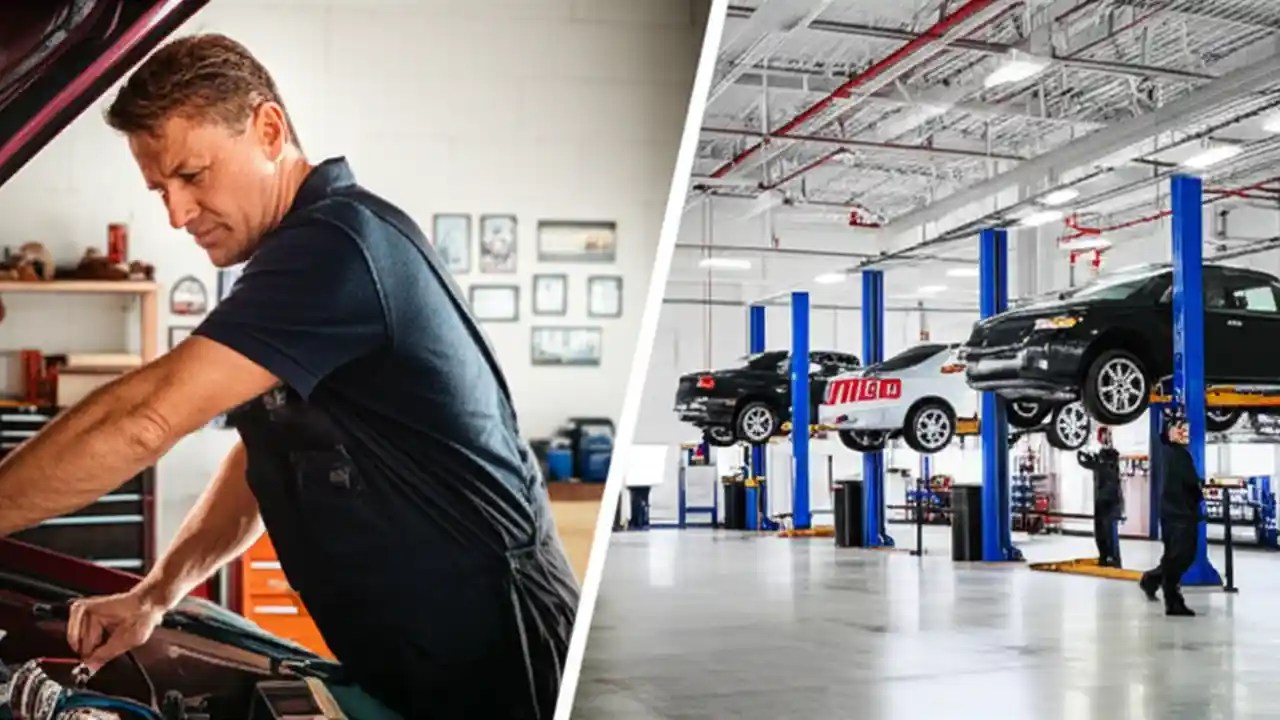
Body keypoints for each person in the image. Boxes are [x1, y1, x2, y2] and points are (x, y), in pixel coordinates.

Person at [0, 34, 579, 718]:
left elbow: (145, 419)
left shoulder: (337, 247)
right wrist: (157, 592)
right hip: (417, 658)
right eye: (160, 189)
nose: (177, 214)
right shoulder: (292, 263)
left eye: (193, 175)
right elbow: (262, 456)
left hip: (504, 659)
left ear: (268, 130)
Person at [1139, 416, 1204, 617]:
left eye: (1186, 429)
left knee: (1175, 556)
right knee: (1180, 557)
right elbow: (1192, 485)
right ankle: (1172, 601)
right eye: (1179, 429)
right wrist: (1198, 497)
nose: (1184, 432)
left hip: (1172, 513)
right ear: (1168, 432)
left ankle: (1152, 580)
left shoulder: (1166, 453)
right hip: (1180, 514)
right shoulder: (1178, 455)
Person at [1077, 427, 1123, 568]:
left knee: (1110, 531)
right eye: (1103, 436)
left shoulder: (1112, 456)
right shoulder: (1100, 457)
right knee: (1100, 530)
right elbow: (1092, 464)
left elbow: (1102, 466)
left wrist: (1088, 460)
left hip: (1111, 499)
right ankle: (1104, 557)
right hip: (1100, 498)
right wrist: (1082, 456)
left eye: (1107, 436)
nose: (1105, 438)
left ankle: (1114, 559)